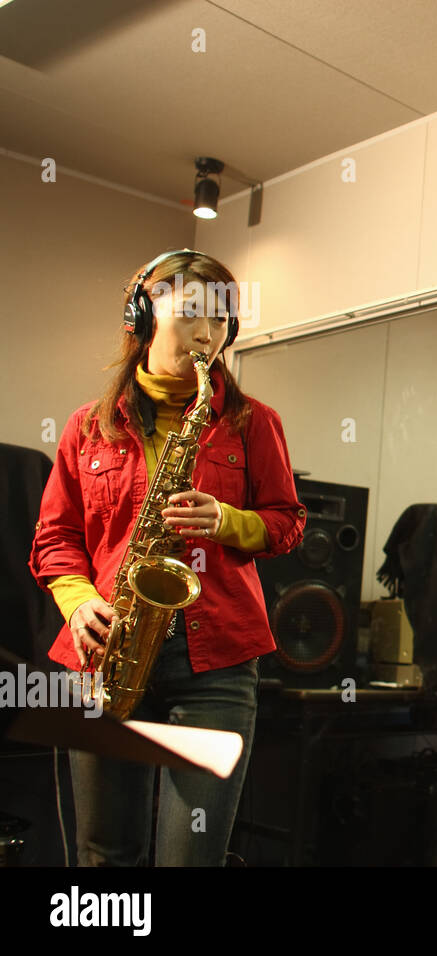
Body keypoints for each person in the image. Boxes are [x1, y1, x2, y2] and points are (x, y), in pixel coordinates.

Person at [30, 249, 304, 866]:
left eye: (222, 319)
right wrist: (79, 603)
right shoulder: (85, 427)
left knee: (193, 858)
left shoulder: (255, 423)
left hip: (217, 664)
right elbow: (54, 539)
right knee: (106, 854)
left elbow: (288, 525)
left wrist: (228, 521)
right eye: (190, 314)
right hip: (110, 648)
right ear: (141, 318)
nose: (208, 334)